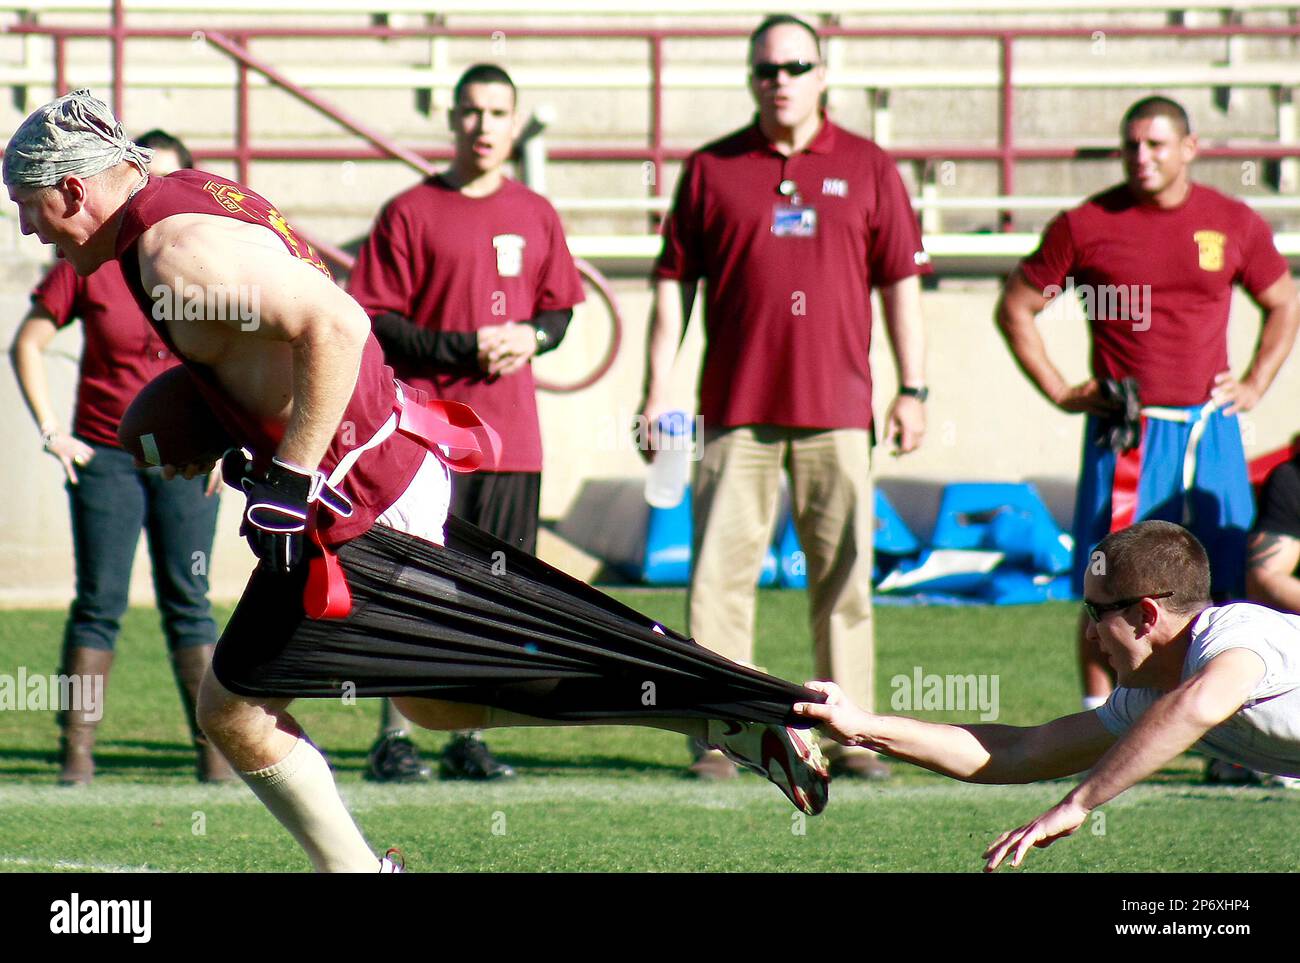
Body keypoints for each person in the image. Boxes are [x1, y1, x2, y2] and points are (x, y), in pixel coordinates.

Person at [5, 89, 834, 872]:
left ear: (73, 188)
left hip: (356, 501)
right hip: (378, 470)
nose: (27, 230)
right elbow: (275, 346)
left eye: (26, 204)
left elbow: (336, 323)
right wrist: (240, 425)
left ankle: (717, 707)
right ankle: (713, 709)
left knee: (235, 707)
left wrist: (288, 479)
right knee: (439, 700)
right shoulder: (184, 196)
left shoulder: (173, 252)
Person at [640, 14, 930, 782]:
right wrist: (658, 390)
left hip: (840, 410)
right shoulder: (711, 169)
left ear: (823, 75)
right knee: (719, 581)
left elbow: (902, 284)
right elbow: (673, 287)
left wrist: (915, 386)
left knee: (844, 581)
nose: (782, 80)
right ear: (750, 76)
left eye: (797, 66)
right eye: (768, 68)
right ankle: (723, 731)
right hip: (733, 409)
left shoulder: (869, 166)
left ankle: (850, 733)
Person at [995, 96, 1299, 729]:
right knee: (1110, 581)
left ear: (1190, 148)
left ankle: (1240, 732)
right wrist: (1059, 388)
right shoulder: (1086, 225)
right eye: (1132, 144)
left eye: (1157, 144)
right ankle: (1100, 724)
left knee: (1226, 580)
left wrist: (1255, 382)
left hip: (1209, 431)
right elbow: (1016, 307)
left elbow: (1283, 302)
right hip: (1127, 433)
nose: (1143, 156)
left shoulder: (1231, 220)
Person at [794, 519, 1300, 871]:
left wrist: (1080, 803)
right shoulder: (1151, 694)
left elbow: (1200, 706)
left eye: (1096, 613)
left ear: (1147, 615)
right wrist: (860, 725)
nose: (1088, 636)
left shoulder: (1239, 633)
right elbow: (1016, 753)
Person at [348, 63, 584, 783]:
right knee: (411, 585)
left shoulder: (537, 211)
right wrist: (460, 348)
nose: (484, 126)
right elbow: (375, 320)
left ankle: (469, 738)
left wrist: (534, 338)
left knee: (496, 591)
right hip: (423, 440)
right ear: (453, 120)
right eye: (472, 112)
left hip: (512, 440)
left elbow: (560, 312)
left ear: (515, 124)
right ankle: (396, 738)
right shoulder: (409, 211)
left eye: (498, 113)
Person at [8, 129, 233, 786]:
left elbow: (232, 360)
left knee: (189, 598)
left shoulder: (200, 258)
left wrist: (227, 441)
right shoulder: (92, 256)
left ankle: (215, 755)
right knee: (99, 599)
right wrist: (54, 431)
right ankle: (76, 754)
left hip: (186, 460)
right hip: (106, 453)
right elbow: (29, 341)